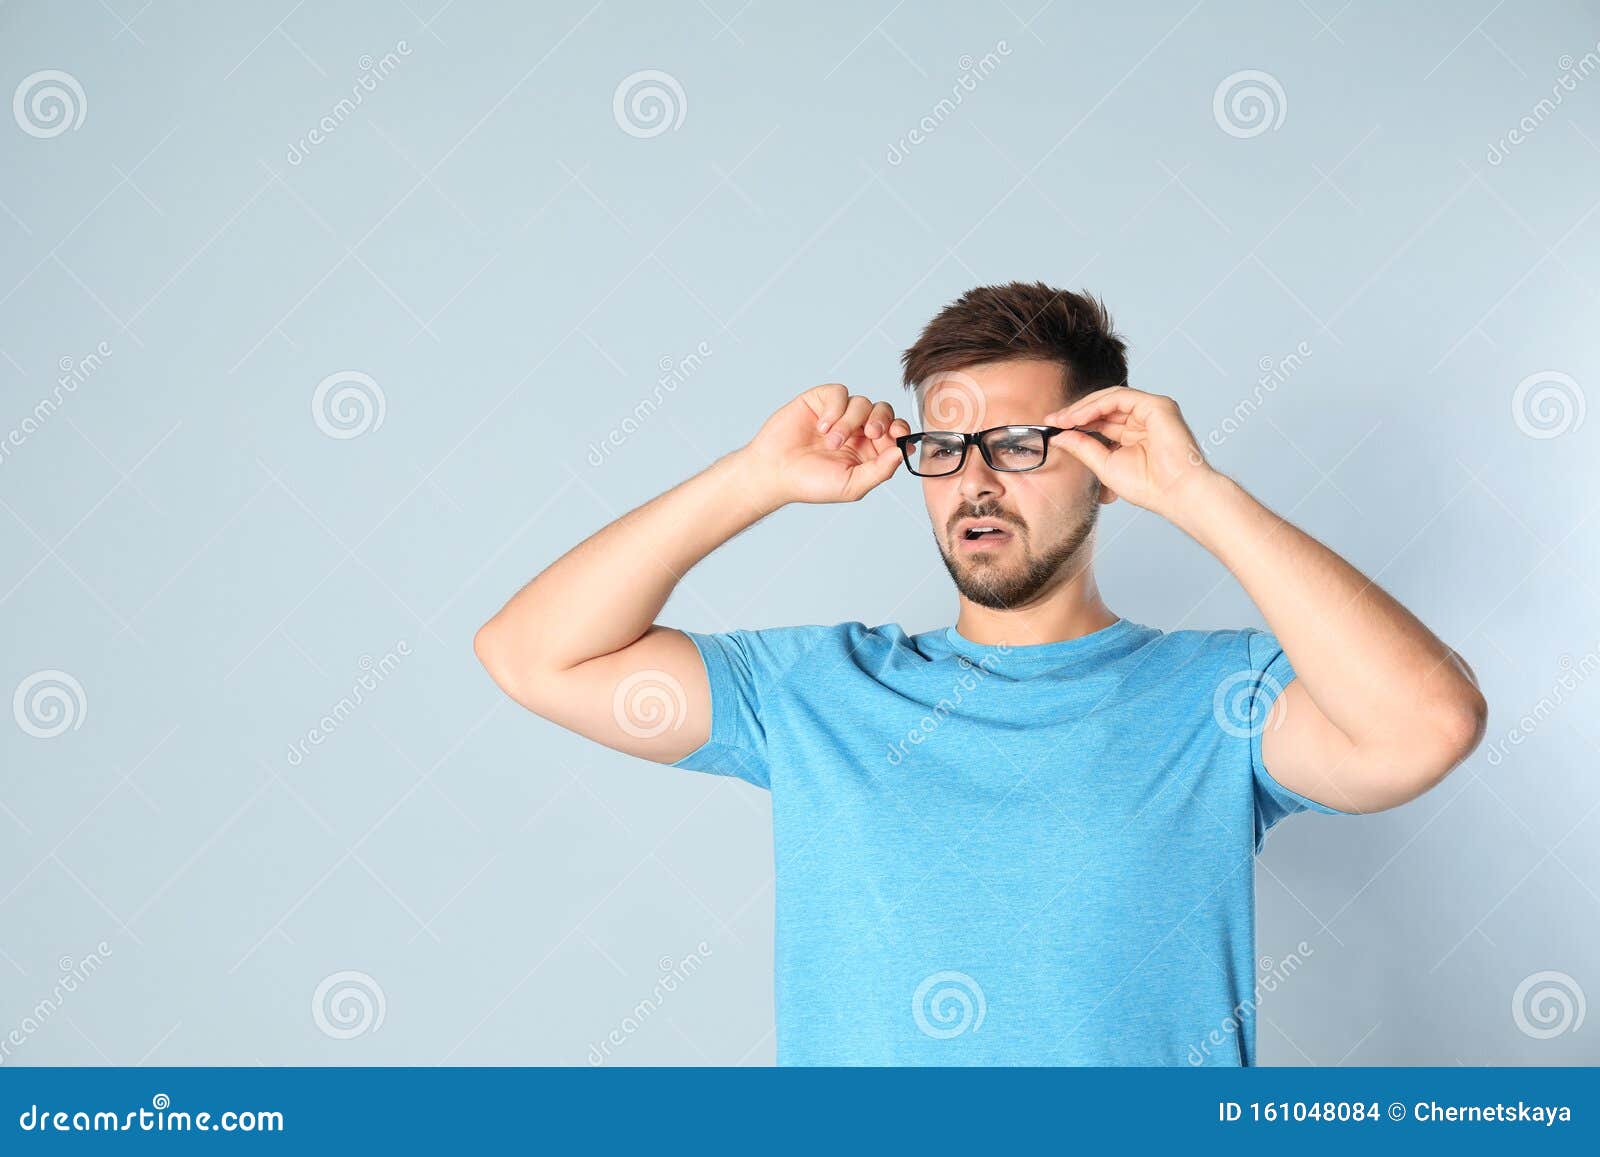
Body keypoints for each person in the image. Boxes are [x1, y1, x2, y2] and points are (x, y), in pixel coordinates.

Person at [474, 280, 1487, 1066]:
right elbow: (532, 652)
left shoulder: (1220, 699)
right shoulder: (816, 691)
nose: (976, 481)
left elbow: (1426, 724)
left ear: (1103, 454)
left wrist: (1196, 491)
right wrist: (754, 477)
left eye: (1016, 444)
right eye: (948, 447)